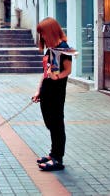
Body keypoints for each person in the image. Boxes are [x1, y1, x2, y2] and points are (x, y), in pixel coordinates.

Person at [31, 17, 74, 172]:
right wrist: (39, 90)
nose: (42, 36)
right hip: (47, 92)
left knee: (56, 125)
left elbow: (68, 70)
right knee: (50, 123)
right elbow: (45, 72)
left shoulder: (64, 48)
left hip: (56, 92)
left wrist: (57, 76)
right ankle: (53, 154)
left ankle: (58, 158)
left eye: (43, 33)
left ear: (50, 31)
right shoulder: (50, 49)